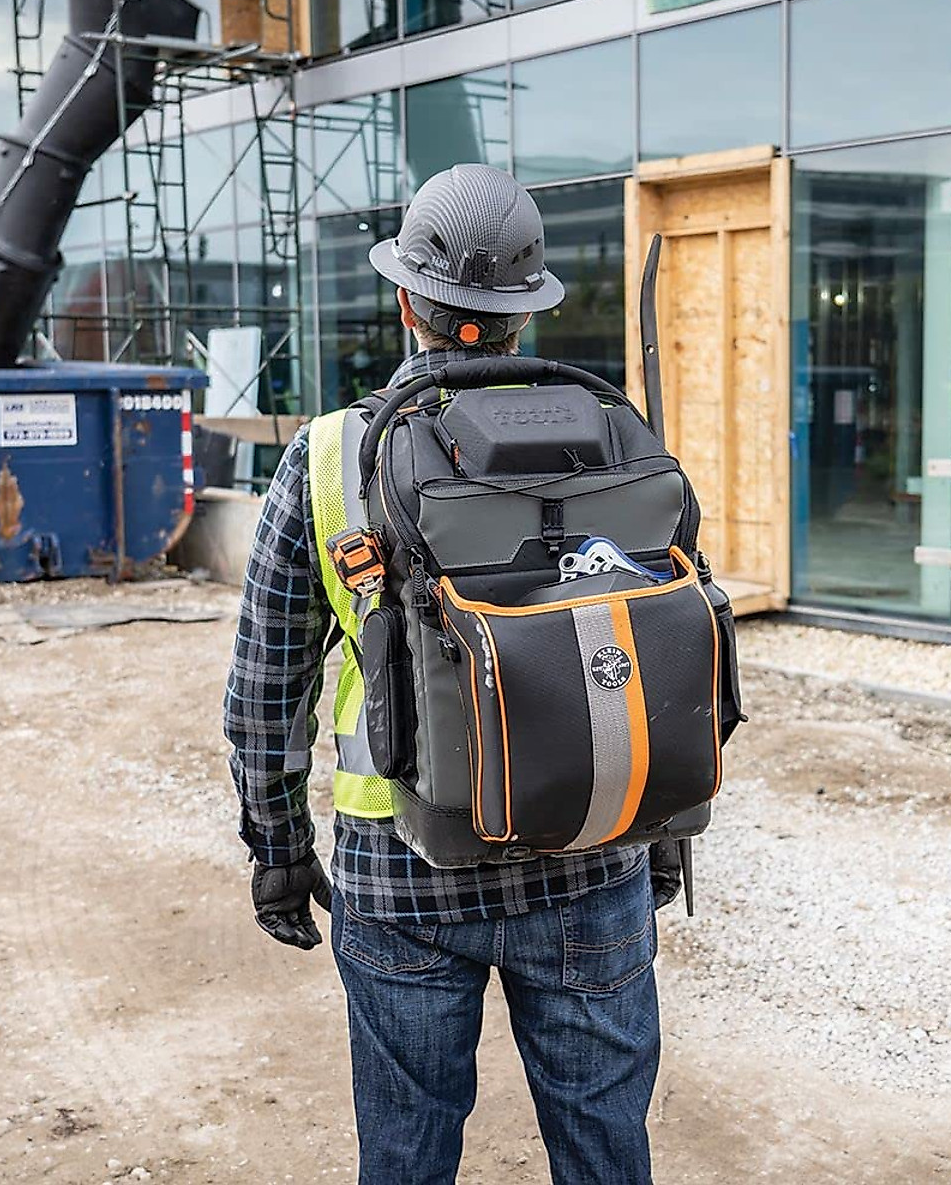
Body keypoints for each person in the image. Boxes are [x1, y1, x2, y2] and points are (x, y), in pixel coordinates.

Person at [224, 164, 681, 1185]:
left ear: (404, 299)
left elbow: (265, 690)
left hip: (402, 867)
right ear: (529, 309)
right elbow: (652, 655)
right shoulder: (618, 435)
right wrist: (656, 839)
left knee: (406, 1154)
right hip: (590, 856)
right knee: (608, 1153)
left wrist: (278, 847)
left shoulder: (335, 457)